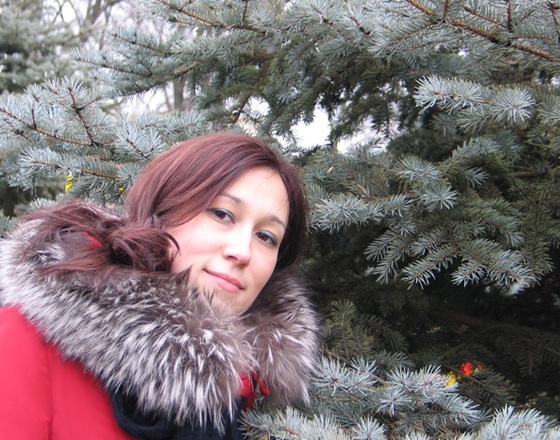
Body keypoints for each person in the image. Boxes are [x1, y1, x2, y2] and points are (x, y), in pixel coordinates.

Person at [0, 133, 320, 439]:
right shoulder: (27, 340)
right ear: (162, 211)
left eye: (266, 236)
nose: (243, 251)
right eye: (222, 214)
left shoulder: (252, 397)